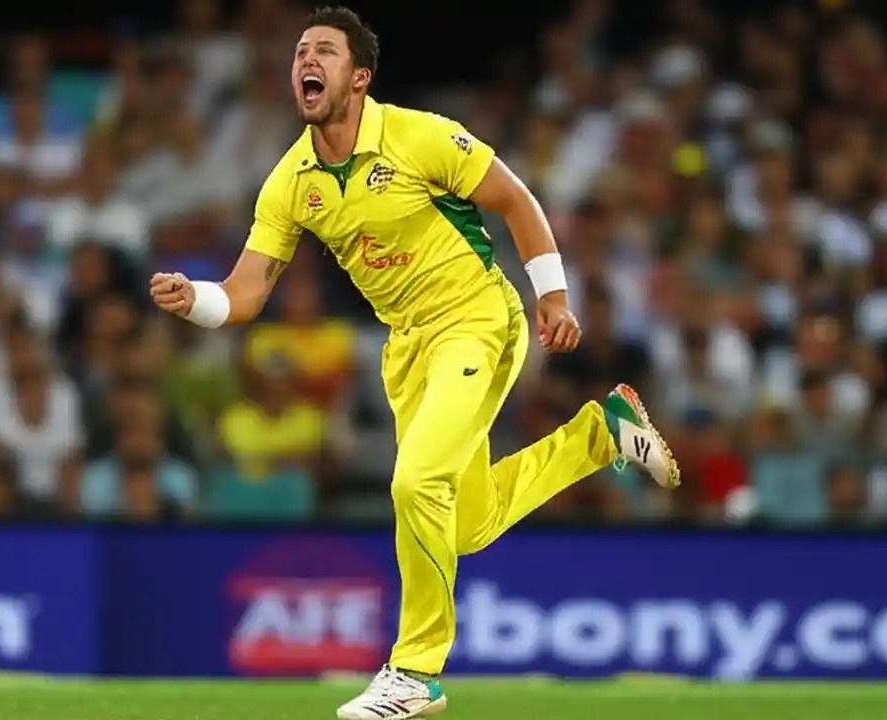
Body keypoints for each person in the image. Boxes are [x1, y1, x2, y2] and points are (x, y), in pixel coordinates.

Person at [149, 7, 680, 719]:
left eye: (325, 52)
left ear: (358, 77)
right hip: (409, 350)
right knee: (458, 525)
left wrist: (553, 296)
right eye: (301, 51)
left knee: (414, 483)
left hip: (478, 322)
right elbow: (245, 294)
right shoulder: (291, 181)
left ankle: (416, 671)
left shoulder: (418, 135)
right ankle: (601, 434)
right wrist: (196, 299)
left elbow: (516, 201)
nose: (306, 60)